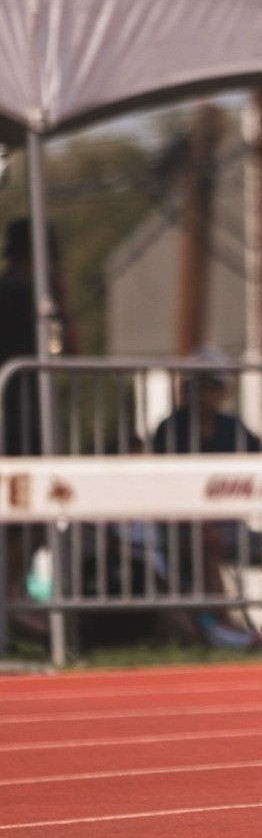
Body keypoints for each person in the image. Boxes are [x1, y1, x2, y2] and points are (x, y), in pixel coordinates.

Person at [151, 352, 262, 650]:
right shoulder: (170, 430)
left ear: (223, 391)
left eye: (211, 386)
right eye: (197, 385)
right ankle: (225, 628)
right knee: (205, 541)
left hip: (230, 526)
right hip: (181, 530)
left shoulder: (234, 429)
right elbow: (166, 486)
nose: (204, 393)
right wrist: (200, 521)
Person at [1, 217, 74, 644]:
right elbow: (72, 348)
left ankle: (13, 592)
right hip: (18, 420)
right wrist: (63, 302)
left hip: (22, 416)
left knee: (32, 515)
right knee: (34, 514)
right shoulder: (27, 295)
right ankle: (11, 593)